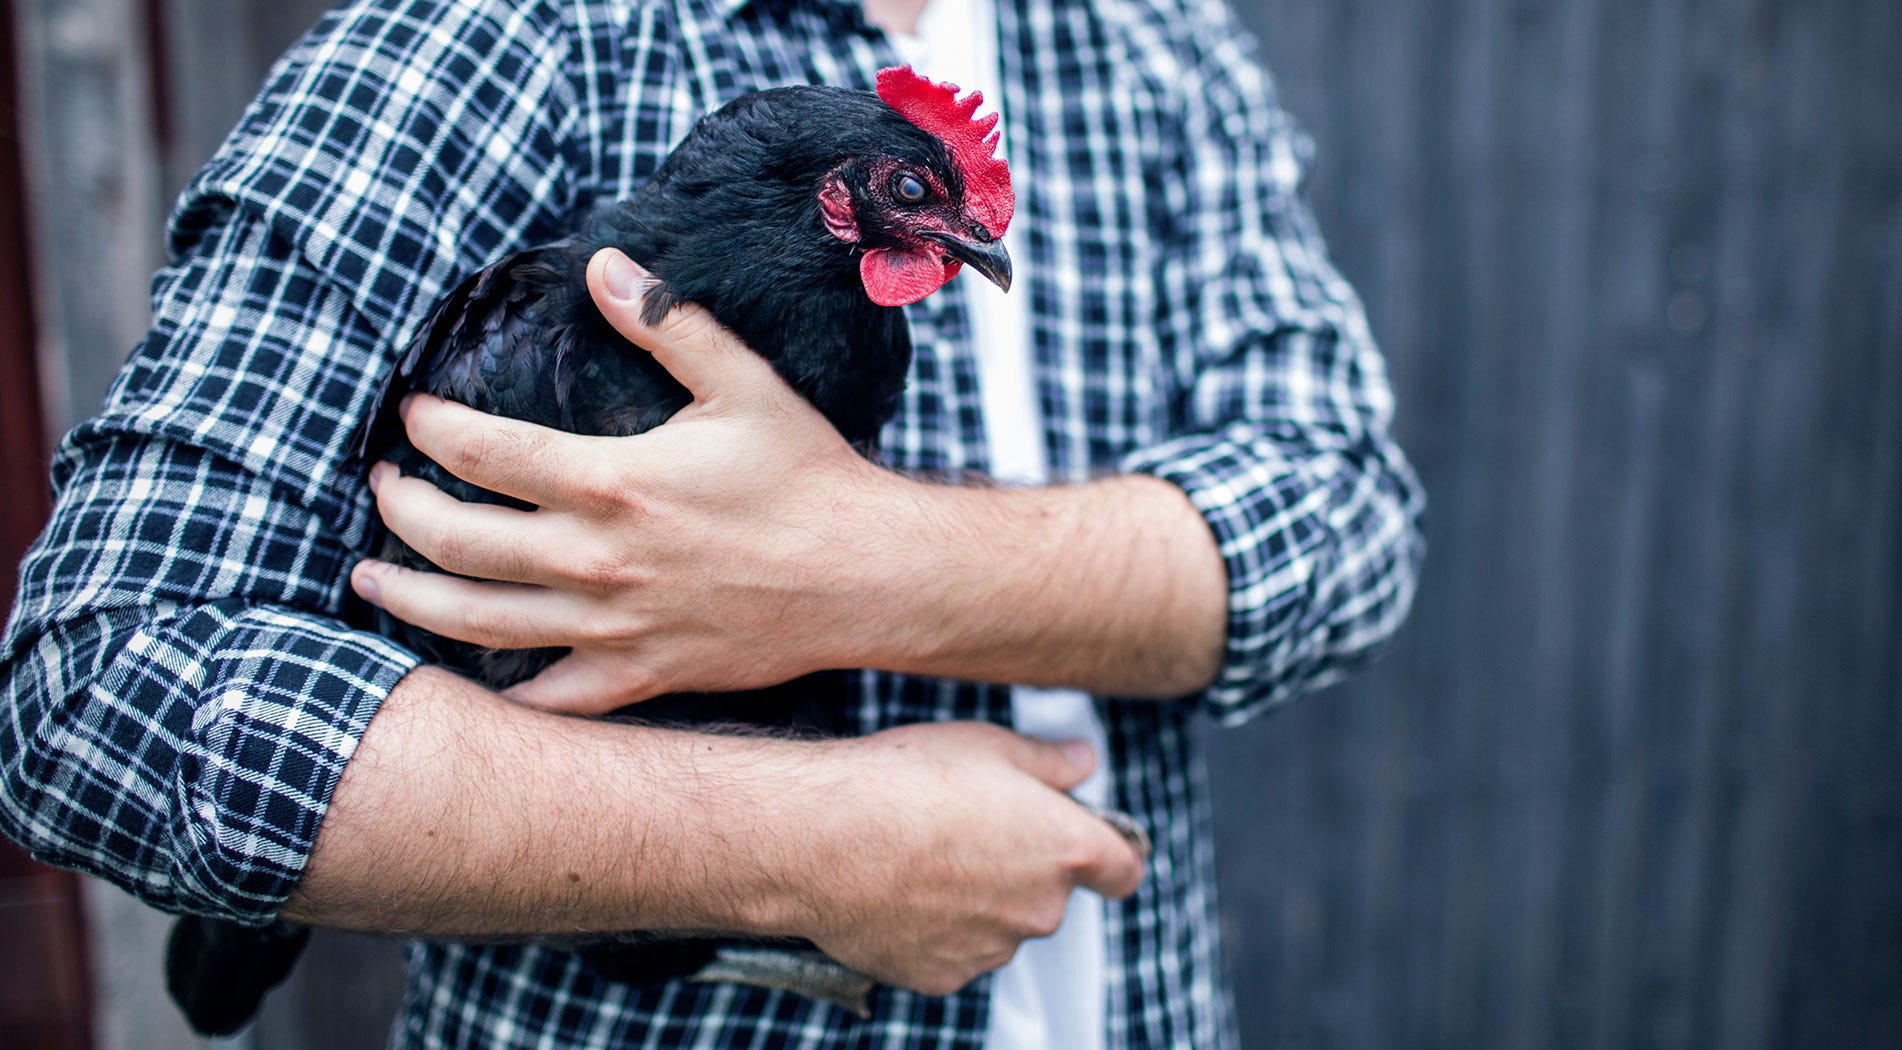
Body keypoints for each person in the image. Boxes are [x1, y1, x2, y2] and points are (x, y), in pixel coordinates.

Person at [0, 0, 1423, 1046]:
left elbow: (1354, 516)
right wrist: (802, 840)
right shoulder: (496, 34)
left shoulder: (1159, 42)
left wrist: (869, 564)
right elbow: (100, 689)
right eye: (921, 197)